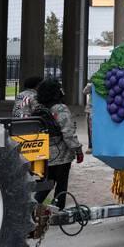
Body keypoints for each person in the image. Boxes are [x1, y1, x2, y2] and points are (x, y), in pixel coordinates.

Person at [33, 78, 82, 210]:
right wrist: (78, 150)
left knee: (47, 183)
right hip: (61, 154)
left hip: (43, 153)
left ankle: (32, 207)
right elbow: (68, 133)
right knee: (61, 183)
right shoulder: (60, 109)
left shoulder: (39, 108)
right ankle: (58, 210)